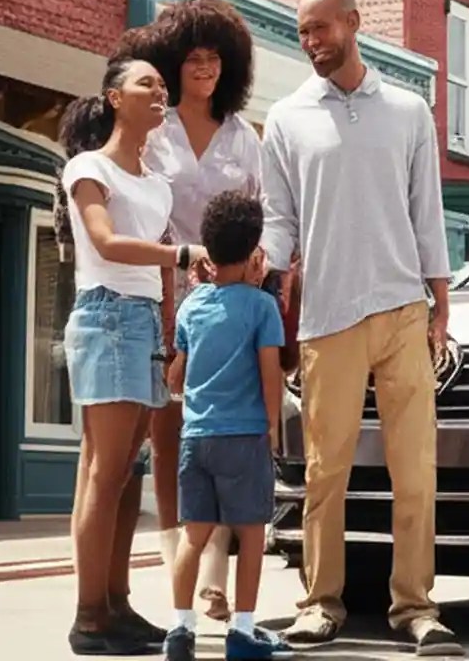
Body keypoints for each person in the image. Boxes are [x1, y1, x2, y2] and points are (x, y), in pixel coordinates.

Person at [258, 0, 460, 656]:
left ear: (353, 22)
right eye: (302, 33)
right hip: (327, 315)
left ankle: (416, 608)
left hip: (403, 308)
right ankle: (320, 603)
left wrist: (441, 305)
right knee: (325, 471)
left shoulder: (408, 111)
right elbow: (280, 219)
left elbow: (425, 210)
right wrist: (265, 285)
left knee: (415, 469)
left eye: (320, 28)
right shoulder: (287, 118)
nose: (311, 41)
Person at [56, 53, 210, 655]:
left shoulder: (154, 184)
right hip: (105, 314)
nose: (160, 92)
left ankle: (115, 604)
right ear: (115, 98)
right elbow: (106, 242)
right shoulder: (88, 168)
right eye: (147, 83)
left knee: (125, 474)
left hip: (144, 323)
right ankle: (90, 615)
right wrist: (181, 254)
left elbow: (160, 270)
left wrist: (172, 338)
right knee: (102, 468)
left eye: (162, 86)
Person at [137, 0, 263, 622]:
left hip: (232, 306)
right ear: (172, 63)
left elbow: (264, 220)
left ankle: (213, 576)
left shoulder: (245, 137)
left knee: (229, 433)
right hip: (164, 297)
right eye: (193, 57)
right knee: (171, 440)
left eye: (216, 57)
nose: (205, 67)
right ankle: (176, 565)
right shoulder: (150, 133)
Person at [163, 190, 288, 661]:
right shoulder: (261, 309)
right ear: (255, 247)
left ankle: (180, 630)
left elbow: (179, 371)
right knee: (252, 532)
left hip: (196, 436)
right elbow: (269, 372)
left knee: (193, 534)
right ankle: (243, 632)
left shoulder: (193, 306)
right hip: (244, 434)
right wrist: (272, 427)